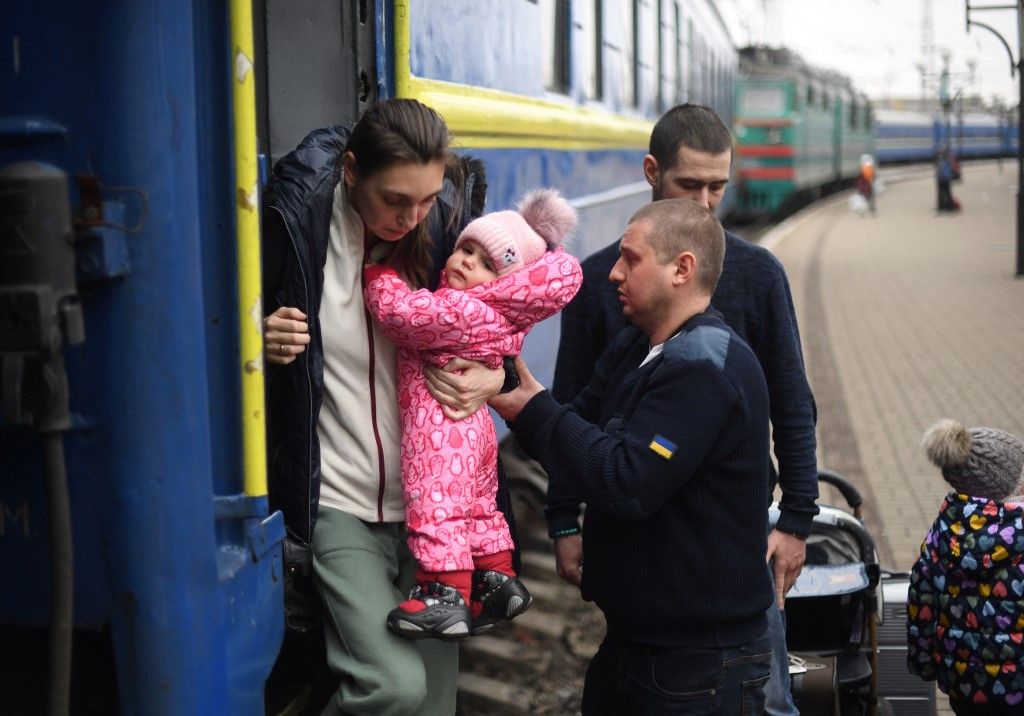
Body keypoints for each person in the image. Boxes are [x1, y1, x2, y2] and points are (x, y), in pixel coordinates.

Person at [548, 103, 817, 715]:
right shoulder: (602, 283)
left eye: (717, 186)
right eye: (687, 184)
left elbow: (793, 402)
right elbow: (572, 411)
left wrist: (796, 521)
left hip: (733, 542)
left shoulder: (757, 275)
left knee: (764, 692)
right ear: (651, 172)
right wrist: (564, 520)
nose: (704, 201)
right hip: (638, 550)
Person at [261, 98, 515, 715]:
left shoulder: (445, 227)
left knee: (434, 703)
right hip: (339, 503)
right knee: (393, 688)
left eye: (426, 200)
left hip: (436, 511)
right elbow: (208, 323)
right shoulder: (297, 226)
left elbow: (497, 323)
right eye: (396, 200)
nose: (412, 217)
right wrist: (259, 335)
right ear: (351, 171)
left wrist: (496, 374)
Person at [492, 198, 775, 714]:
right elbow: (572, 432)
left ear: (681, 269)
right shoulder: (637, 347)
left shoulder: (705, 369)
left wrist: (535, 411)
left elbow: (626, 480)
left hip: (700, 666)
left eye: (631, 259)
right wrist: (509, 388)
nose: (614, 272)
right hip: (637, 645)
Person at [362, 188, 582, 640]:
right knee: (479, 508)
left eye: (485, 264)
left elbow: (402, 314)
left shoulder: (460, 309)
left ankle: (443, 592)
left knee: (437, 503)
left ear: (502, 283)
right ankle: (497, 578)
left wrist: (380, 277)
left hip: (439, 427)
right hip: (476, 430)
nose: (466, 262)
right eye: (465, 249)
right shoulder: (502, 314)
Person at [907, 419, 1024, 715]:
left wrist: (923, 661)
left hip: (963, 683)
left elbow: (921, 601)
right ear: (1010, 484)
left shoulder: (942, 533)